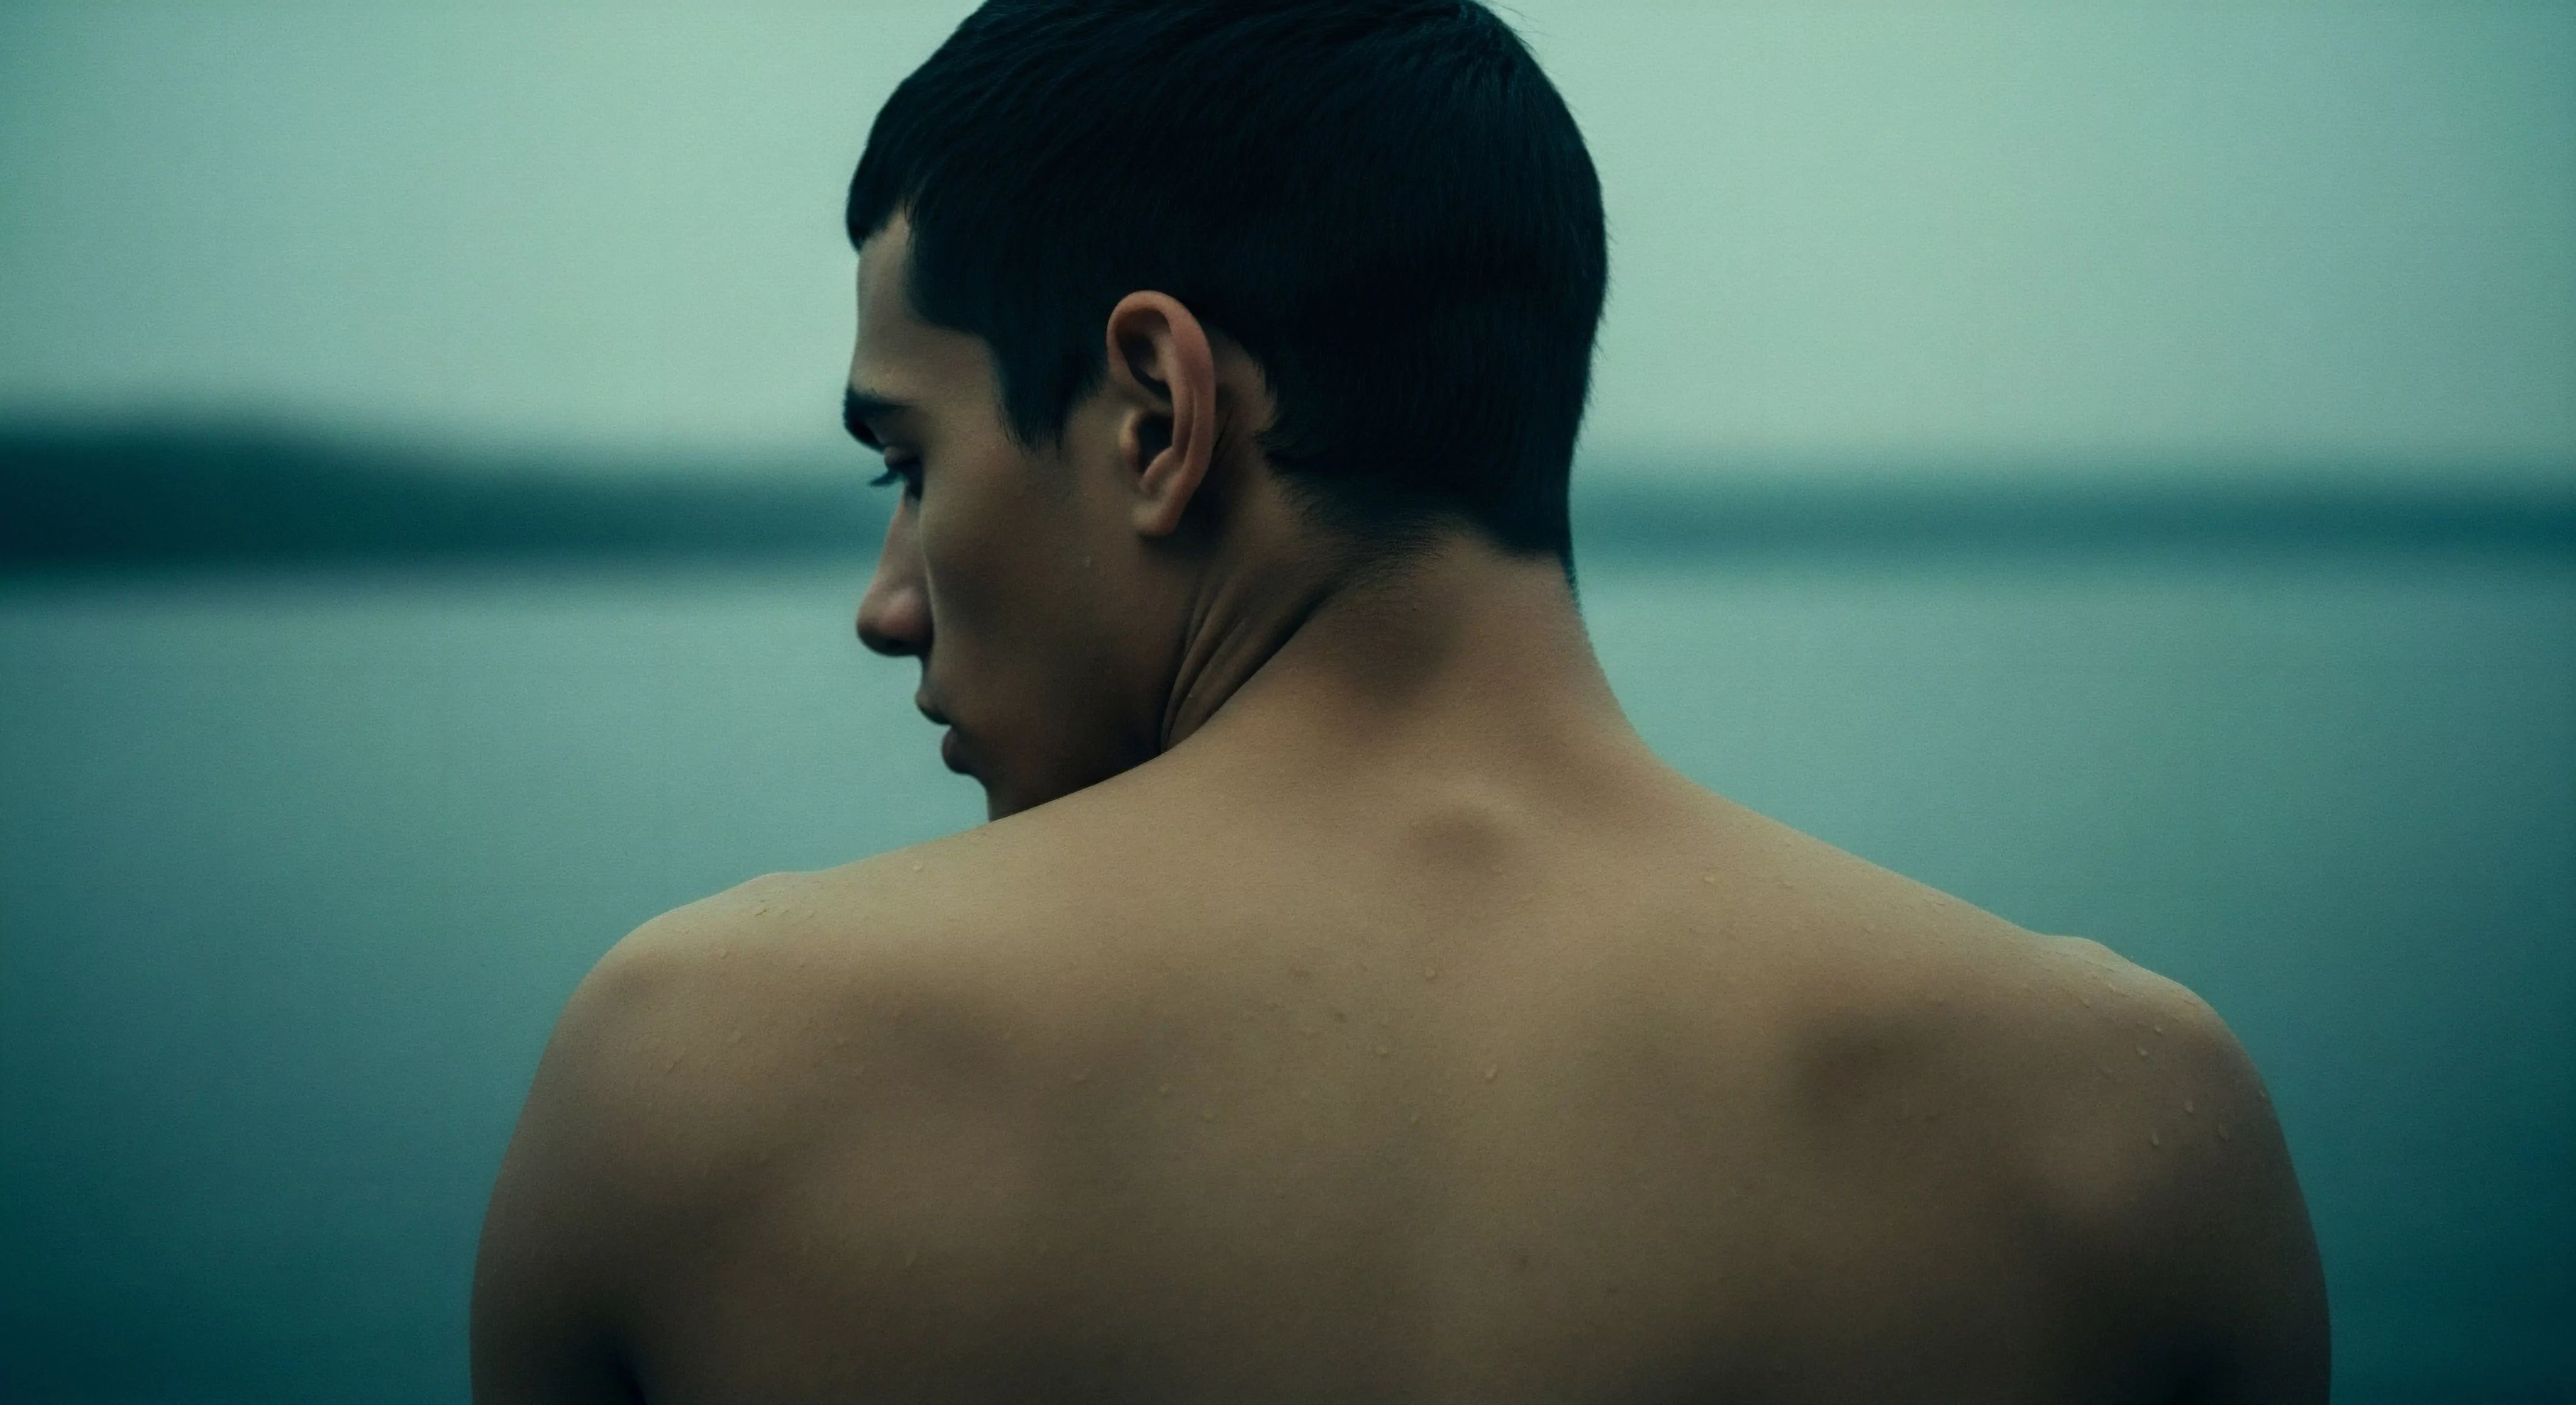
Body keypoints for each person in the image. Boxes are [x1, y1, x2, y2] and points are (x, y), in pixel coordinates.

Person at [471, 2, 2329, 1400]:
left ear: (1154, 410)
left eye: (906, 459)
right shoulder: (2121, 1136)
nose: (889, 606)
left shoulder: (702, 1085)